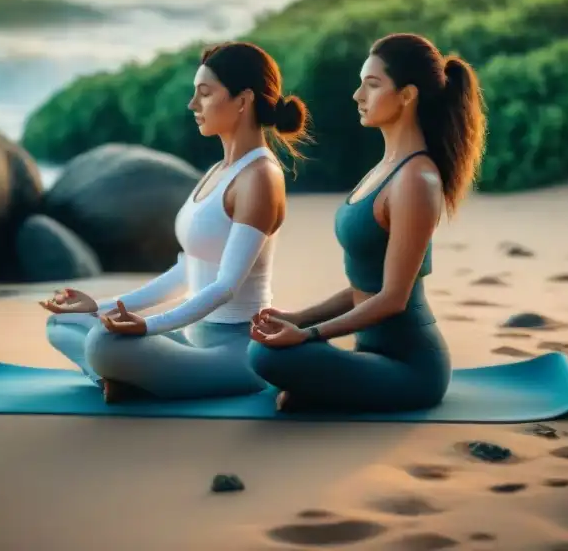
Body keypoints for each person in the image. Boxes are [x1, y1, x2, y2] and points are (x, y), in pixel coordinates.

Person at [39, 41, 310, 402]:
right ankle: (116, 379)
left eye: (204, 93)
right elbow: (186, 272)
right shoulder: (218, 171)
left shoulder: (259, 177)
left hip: (235, 353)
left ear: (242, 100)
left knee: (104, 342)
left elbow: (226, 285)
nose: (192, 105)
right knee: (64, 323)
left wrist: (149, 325)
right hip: (189, 337)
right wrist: (100, 307)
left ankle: (122, 377)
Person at [247, 33, 486, 413]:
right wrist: (297, 318)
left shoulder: (415, 179)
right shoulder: (384, 169)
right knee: (263, 347)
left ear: (407, 95)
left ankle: (321, 391)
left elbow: (393, 298)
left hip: (411, 369)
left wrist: (308, 334)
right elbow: (363, 288)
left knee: (269, 359)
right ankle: (323, 389)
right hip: (369, 352)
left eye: (372, 85)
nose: (358, 95)